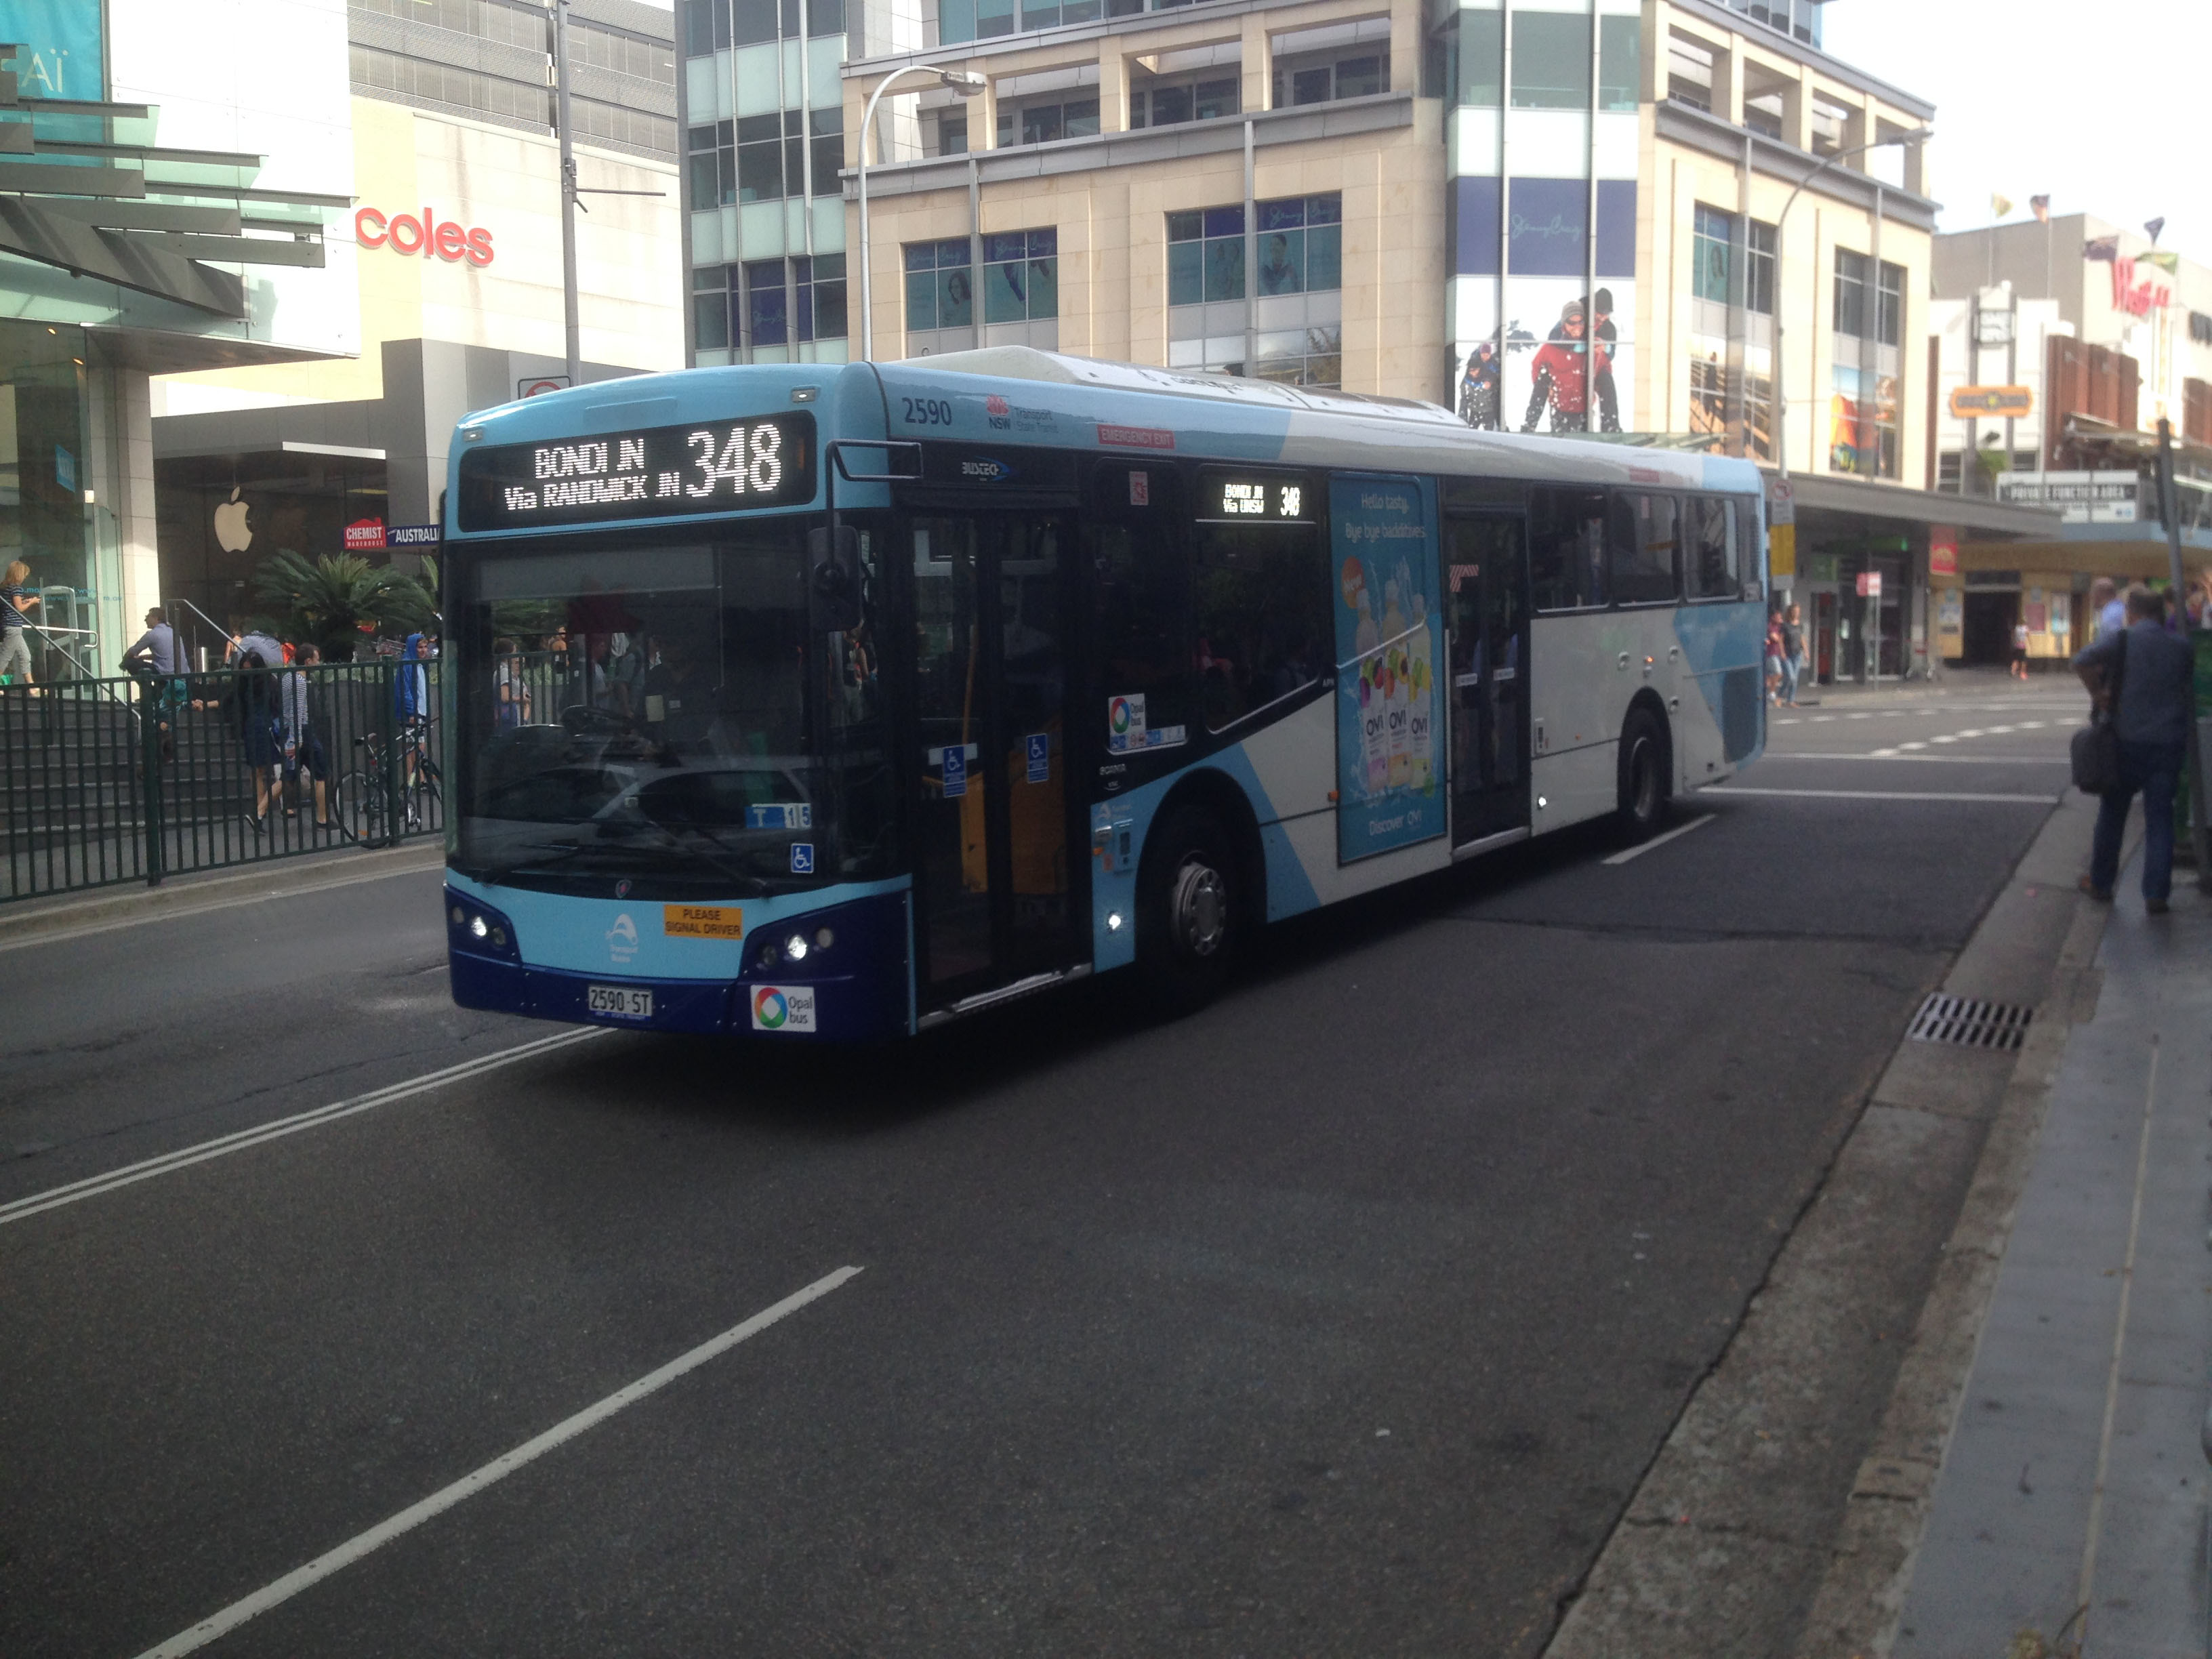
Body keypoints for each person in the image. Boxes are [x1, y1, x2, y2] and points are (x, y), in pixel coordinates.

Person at [2076, 585, 2195, 914]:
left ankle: (2101, 883)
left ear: (2133, 613)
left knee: (2113, 814)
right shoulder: (2182, 647)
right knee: (2161, 818)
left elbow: (2082, 660)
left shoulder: (2124, 639)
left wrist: (2099, 693)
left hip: (2126, 741)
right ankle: (2156, 893)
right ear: (2162, 613)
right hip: (2168, 743)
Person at [1522, 301, 1607, 434]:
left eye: (1580, 322)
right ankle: (1529, 426)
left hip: (1584, 410)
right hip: (1560, 409)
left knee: (1581, 449)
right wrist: (1548, 388)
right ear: (1564, 325)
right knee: (1560, 448)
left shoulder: (1594, 346)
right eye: (1571, 323)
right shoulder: (1551, 347)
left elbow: (1605, 372)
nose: (1577, 327)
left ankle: (1612, 427)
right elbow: (1536, 366)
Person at [226, 648, 282, 830]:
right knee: (269, 770)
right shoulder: (266, 682)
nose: (247, 672)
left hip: (258, 727)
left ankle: (260, 811)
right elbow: (230, 699)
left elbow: (229, 700)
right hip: (263, 727)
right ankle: (261, 812)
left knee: (261, 771)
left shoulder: (252, 683)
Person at [279, 643, 335, 827]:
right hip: (301, 730)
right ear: (308, 661)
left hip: (289, 729)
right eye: (317, 659)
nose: (319, 663)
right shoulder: (301, 683)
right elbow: (298, 711)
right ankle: (322, 819)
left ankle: (260, 811)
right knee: (321, 773)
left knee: (288, 775)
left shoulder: (287, 677)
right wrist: (297, 739)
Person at [0, 559, 38, 687]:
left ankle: (31, 687)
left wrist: (25, 602)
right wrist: (32, 602)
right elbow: (19, 609)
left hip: (8, 625)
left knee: (25, 655)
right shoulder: (16, 588)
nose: (25, 578)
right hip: (14, 627)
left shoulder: (4, 587)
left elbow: (12, 605)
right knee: (5, 657)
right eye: (25, 576)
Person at [1780, 603, 1806, 705]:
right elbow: (1781, 640)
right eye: (1795, 611)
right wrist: (1782, 652)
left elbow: (1802, 639)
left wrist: (1806, 652)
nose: (1796, 614)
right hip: (1787, 654)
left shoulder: (1800, 625)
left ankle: (1790, 700)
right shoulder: (1785, 625)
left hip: (1797, 654)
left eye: (1798, 612)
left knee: (1795, 679)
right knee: (1791, 677)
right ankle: (1780, 695)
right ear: (1791, 612)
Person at [2085, 577, 2118, 644]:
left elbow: (2110, 644)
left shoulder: (2111, 615)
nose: (2091, 598)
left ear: (2099, 594)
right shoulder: (2119, 608)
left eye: (2093, 593)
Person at [2010, 615, 2030, 680]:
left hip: (2017, 645)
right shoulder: (2026, 628)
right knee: (2023, 660)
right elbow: (2028, 635)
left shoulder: (2017, 628)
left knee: (2016, 659)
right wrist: (2030, 644)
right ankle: (2022, 673)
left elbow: (2013, 635)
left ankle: (2013, 671)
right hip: (2023, 645)